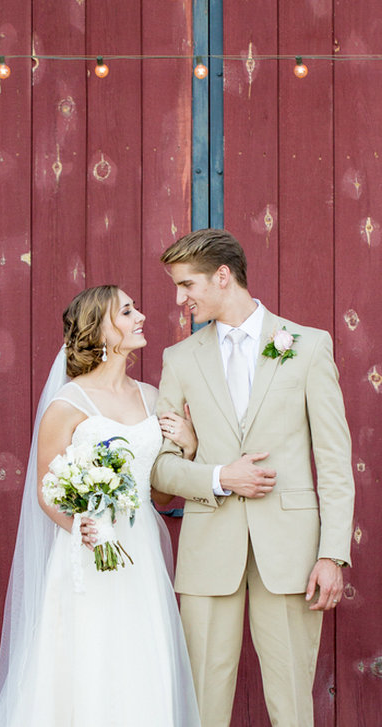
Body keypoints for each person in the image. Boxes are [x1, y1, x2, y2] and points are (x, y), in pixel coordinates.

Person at [152, 229, 355, 727]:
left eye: (187, 284)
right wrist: (222, 476)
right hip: (208, 549)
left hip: (289, 551)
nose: (180, 299)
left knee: (291, 697)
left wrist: (331, 554)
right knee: (201, 697)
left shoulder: (307, 347)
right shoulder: (179, 359)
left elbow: (333, 460)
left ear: (223, 277)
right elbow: (158, 466)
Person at [0, 284, 201, 727]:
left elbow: (160, 496)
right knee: (88, 664)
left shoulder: (150, 395)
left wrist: (191, 447)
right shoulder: (67, 405)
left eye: (135, 308)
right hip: (88, 551)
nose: (140, 316)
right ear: (101, 331)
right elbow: (46, 490)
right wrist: (77, 523)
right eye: (127, 312)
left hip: (140, 552)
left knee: (141, 661)